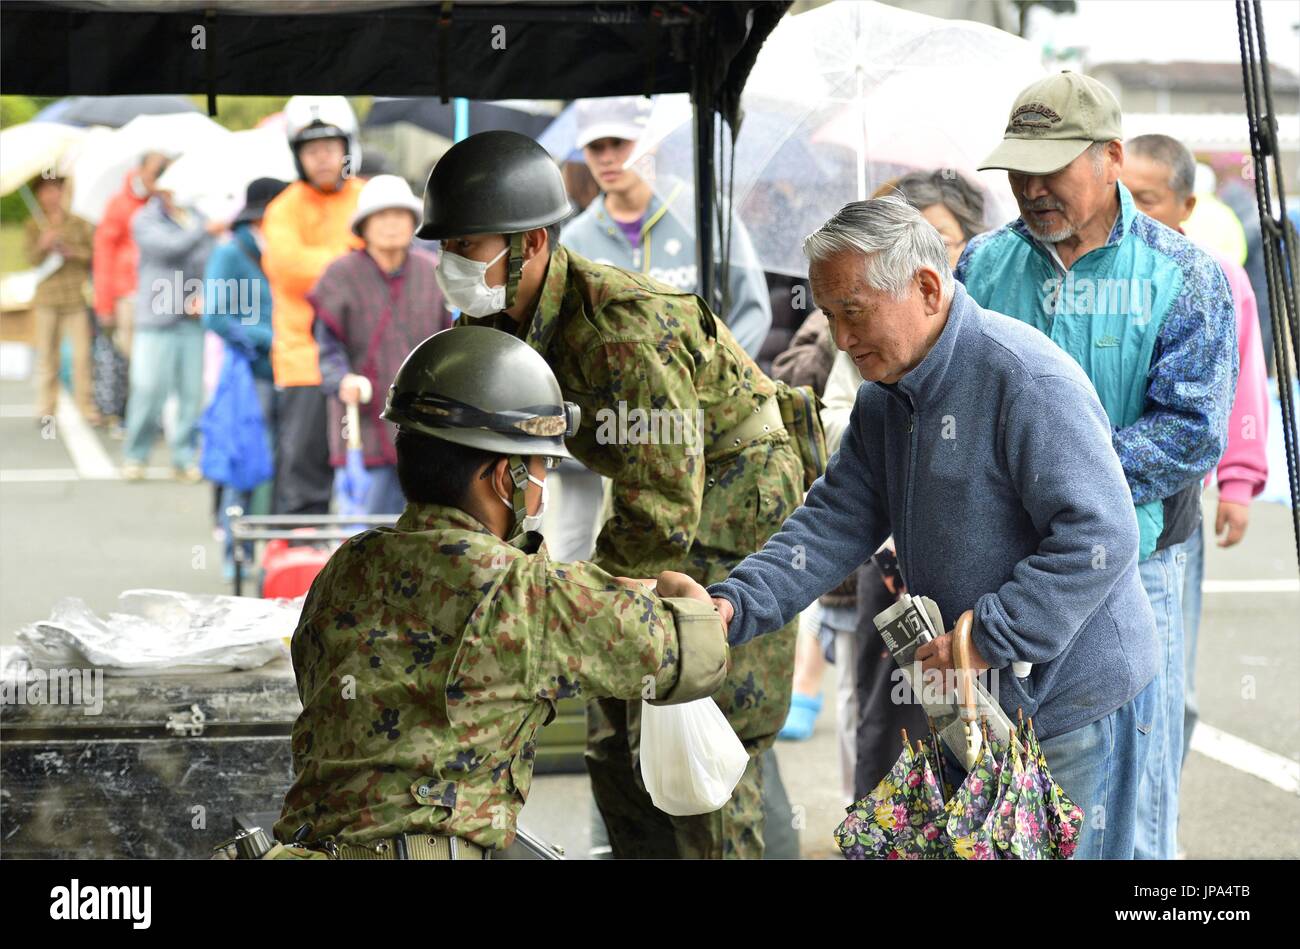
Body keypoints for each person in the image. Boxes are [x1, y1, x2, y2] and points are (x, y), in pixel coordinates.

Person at [708, 194, 1159, 860]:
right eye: (829, 317)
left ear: (925, 286)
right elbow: (831, 522)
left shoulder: (1023, 378)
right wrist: (731, 603)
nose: (841, 338)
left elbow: (1101, 535)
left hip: (1073, 700)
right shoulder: (882, 400)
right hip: (976, 695)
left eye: (853, 313)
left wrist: (989, 633)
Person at [425, 130, 803, 859]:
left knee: (702, 721)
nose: (451, 265)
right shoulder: (491, 321)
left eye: (466, 245)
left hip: (734, 492)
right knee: (617, 728)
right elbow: (484, 462)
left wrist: (585, 604)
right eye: (446, 245)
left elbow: (665, 497)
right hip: (651, 484)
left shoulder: (622, 325)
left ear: (530, 243)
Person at [271, 325, 729, 859]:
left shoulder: (347, 565)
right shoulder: (525, 591)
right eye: (541, 465)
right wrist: (676, 593)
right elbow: (695, 654)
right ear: (500, 476)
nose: (542, 483)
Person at [955, 71, 1237, 860]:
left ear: (1112, 157)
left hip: (1135, 563)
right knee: (1012, 774)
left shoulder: (1184, 276)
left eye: (1054, 167)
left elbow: (1191, 430)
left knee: (1134, 786)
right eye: (1020, 167)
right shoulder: (981, 268)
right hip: (1005, 571)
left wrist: (1059, 477)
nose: (1033, 187)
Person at [552, 96, 775, 568]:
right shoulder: (576, 241)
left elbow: (753, 306)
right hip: (608, 436)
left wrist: (707, 385)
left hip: (707, 428)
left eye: (620, 143)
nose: (609, 158)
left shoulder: (702, 214)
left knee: (697, 562)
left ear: (648, 142)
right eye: (596, 148)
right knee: (591, 560)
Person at [1120, 134, 1269, 777]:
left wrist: (1237, 482)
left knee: (1168, 674)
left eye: (1147, 199)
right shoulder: (1089, 279)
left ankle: (1159, 817)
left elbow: (1241, 387)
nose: (1132, 211)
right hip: (1088, 508)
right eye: (1121, 196)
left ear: (1185, 206)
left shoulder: (1215, 277)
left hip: (1173, 506)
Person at [310, 174, 450, 515]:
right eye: (381, 216)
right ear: (365, 225)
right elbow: (327, 347)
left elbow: (449, 345)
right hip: (361, 418)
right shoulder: (340, 275)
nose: (391, 224)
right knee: (362, 528)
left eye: (399, 215)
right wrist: (341, 380)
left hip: (421, 423)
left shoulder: (434, 273)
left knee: (419, 526)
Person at [261, 95, 365, 515]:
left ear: (347, 148)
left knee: (379, 479)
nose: (321, 158)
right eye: (310, 149)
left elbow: (390, 260)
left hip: (369, 363)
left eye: (329, 147)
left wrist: (337, 264)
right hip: (305, 365)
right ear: (296, 155)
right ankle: (297, 568)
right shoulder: (282, 209)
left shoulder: (370, 197)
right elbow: (290, 270)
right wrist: (351, 259)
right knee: (303, 481)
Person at [203, 177, 289, 577]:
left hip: (292, 373)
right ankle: (236, 558)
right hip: (250, 375)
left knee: (284, 465)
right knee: (246, 463)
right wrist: (268, 338)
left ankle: (273, 557)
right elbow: (215, 316)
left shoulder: (285, 249)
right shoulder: (232, 252)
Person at [121, 189, 221, 481]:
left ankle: (184, 457)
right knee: (149, 388)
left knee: (192, 393)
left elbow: (210, 260)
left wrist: (203, 295)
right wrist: (202, 231)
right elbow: (167, 248)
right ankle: (135, 455)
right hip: (156, 319)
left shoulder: (197, 217)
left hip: (191, 320)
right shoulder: (145, 218)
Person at [25, 175, 98, 427]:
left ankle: (85, 407)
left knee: (81, 355)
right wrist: (43, 245)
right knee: (47, 355)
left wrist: (71, 252)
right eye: (45, 192)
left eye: (55, 190)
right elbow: (30, 259)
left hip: (75, 296)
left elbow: (93, 254)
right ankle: (46, 408)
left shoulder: (79, 223)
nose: (51, 196)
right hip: (47, 297)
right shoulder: (34, 225)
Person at [93, 152, 170, 383]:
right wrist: (104, 303)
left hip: (162, 292)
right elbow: (104, 254)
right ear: (141, 170)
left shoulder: (168, 204)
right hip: (129, 293)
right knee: (135, 357)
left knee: (160, 357)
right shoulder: (120, 204)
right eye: (157, 172)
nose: (160, 178)